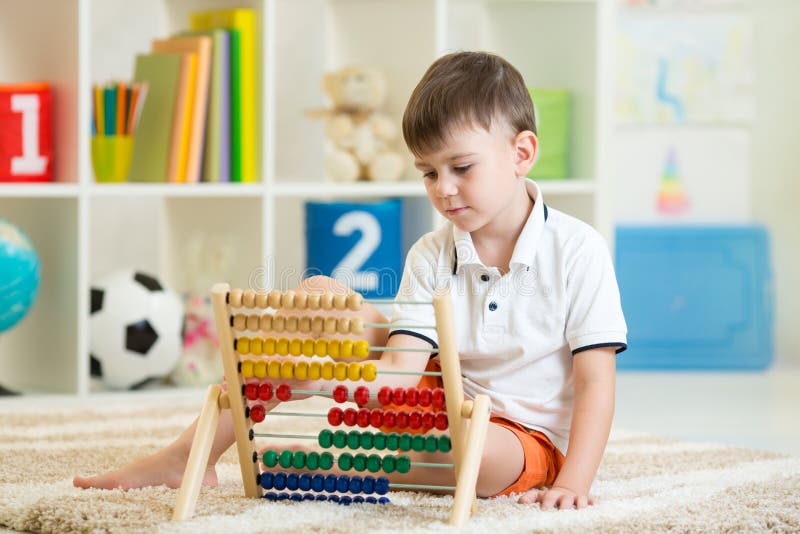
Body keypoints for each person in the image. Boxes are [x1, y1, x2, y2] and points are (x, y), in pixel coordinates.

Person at [74, 51, 627, 511]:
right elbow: (403, 370)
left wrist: (573, 483)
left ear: (521, 153)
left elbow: (595, 382)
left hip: (522, 438)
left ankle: (349, 456)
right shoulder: (431, 251)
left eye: (462, 168)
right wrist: (325, 357)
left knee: (474, 453)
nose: (444, 189)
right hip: (435, 401)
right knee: (309, 333)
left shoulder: (577, 250)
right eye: (429, 172)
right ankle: (186, 456)